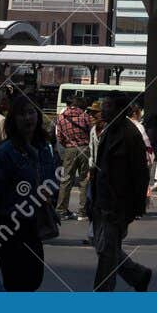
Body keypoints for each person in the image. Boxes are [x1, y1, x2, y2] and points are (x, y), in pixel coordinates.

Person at [0, 95, 58, 291]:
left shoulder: (43, 148)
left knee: (34, 278)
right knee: (17, 282)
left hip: (34, 224)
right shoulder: (6, 151)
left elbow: (51, 179)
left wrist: (50, 201)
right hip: (9, 226)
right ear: (14, 119)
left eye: (31, 113)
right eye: (22, 114)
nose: (28, 118)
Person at [89, 94, 154, 292]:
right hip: (101, 202)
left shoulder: (130, 135)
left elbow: (140, 174)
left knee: (107, 255)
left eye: (107, 106)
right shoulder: (108, 130)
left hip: (116, 206)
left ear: (120, 110)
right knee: (104, 248)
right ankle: (137, 274)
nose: (103, 110)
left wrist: (134, 209)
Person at [54, 93, 93, 221]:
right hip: (84, 149)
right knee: (84, 180)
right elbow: (91, 132)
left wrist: (68, 144)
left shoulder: (60, 117)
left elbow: (59, 137)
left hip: (70, 149)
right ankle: (83, 212)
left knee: (66, 180)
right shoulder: (85, 116)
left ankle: (61, 211)